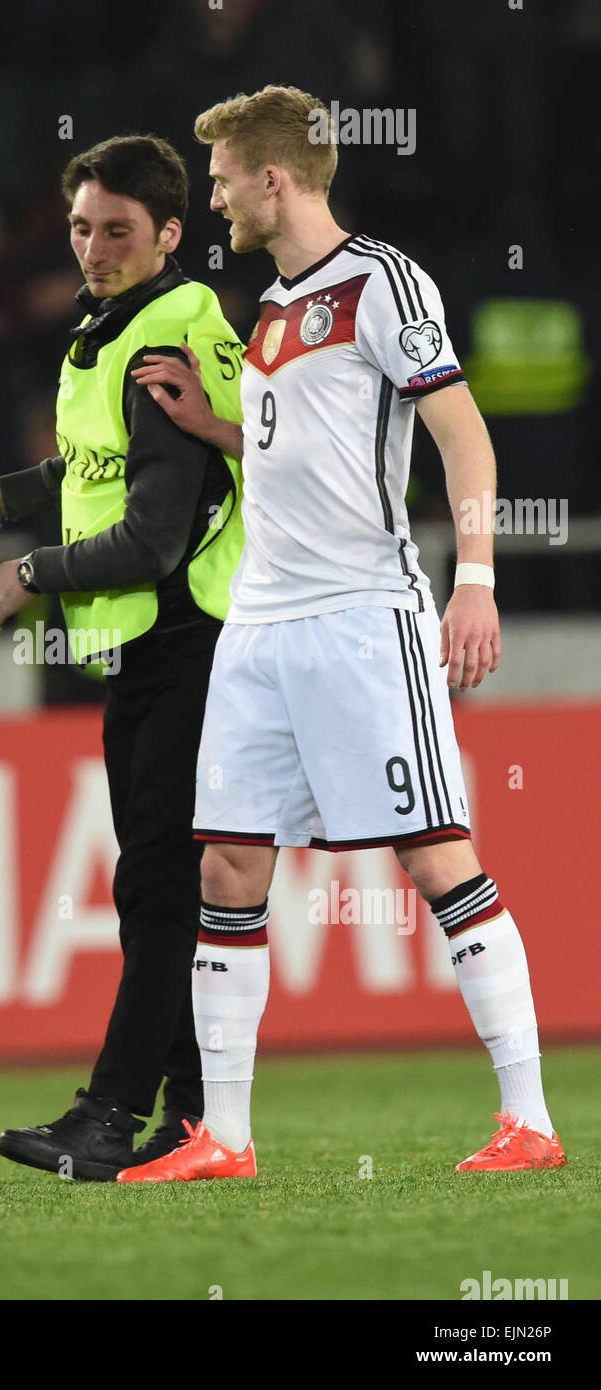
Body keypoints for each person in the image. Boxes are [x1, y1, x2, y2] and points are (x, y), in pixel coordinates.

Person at [116, 86, 564, 1182]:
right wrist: (214, 427)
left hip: (362, 616)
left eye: (223, 180)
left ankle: (530, 1118)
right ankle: (225, 1136)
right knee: (228, 862)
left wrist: (475, 581)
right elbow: (299, 449)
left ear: (274, 178)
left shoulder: (383, 281)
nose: (215, 199)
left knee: (434, 852)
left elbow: (464, 436)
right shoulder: (273, 307)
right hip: (260, 624)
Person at [0, 136, 246, 1180]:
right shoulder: (116, 329)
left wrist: (29, 571)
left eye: (118, 230)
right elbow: (93, 466)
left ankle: (111, 1113)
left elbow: (155, 535)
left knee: (158, 887)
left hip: (188, 636)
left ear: (169, 234)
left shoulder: (166, 336)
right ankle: (196, 1117)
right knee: (161, 885)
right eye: (81, 228)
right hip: (145, 643)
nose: (94, 248)